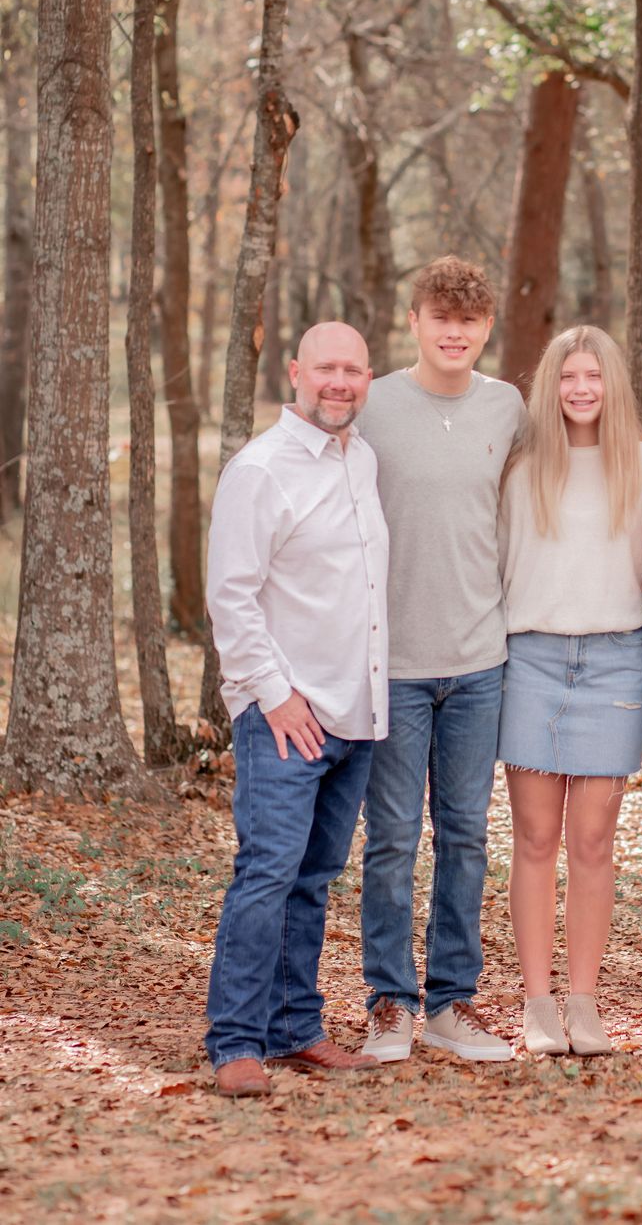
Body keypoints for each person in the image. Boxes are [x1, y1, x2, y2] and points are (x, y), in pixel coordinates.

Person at [204, 322, 387, 1097]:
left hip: (353, 710)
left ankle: (295, 1027)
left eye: (352, 369)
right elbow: (231, 596)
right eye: (326, 369)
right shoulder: (261, 469)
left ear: (368, 378)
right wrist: (273, 697)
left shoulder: (362, 458)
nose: (339, 382)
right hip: (285, 711)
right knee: (268, 873)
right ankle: (236, 1041)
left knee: (313, 878)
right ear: (295, 373)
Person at [358, 256, 524, 1062]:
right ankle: (389, 1004)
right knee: (391, 838)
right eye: (440, 318)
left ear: (485, 327)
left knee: (465, 837)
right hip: (395, 663)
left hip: (480, 660)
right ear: (416, 322)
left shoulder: (508, 406)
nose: (454, 332)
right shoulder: (375, 404)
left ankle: (452, 1007)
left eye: (469, 320)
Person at [497, 327, 642, 1056]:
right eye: (569, 377)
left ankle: (585, 1002)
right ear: (551, 386)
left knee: (592, 841)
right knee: (534, 838)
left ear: (612, 384)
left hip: (616, 662)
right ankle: (536, 1002)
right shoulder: (521, 468)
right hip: (530, 659)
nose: (582, 389)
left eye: (594, 376)